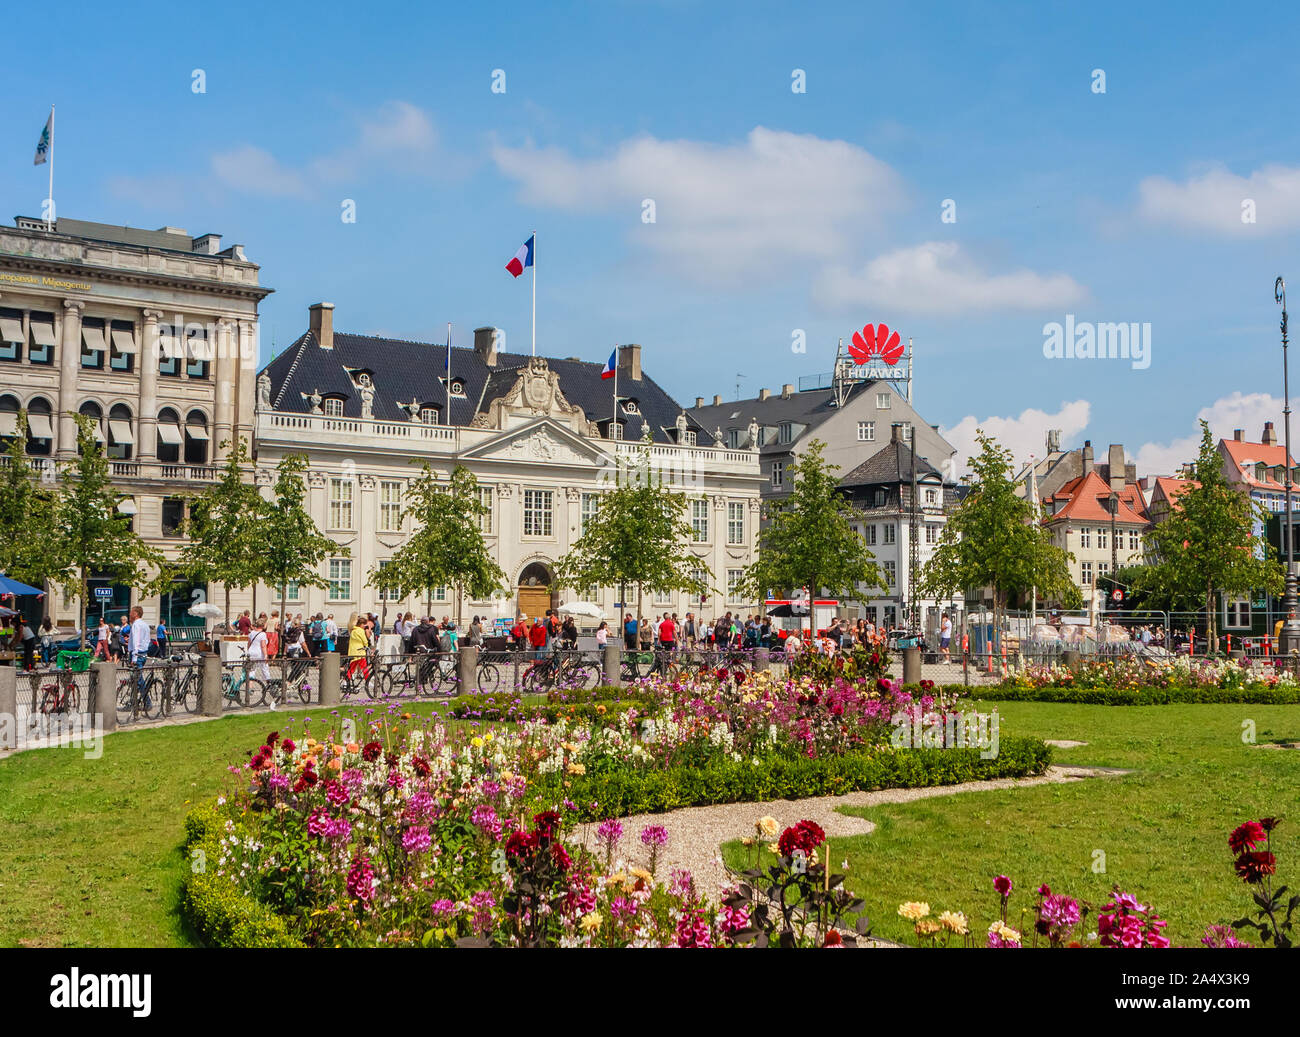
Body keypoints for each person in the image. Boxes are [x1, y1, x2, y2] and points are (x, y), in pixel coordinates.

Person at [128, 606, 153, 709]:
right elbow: (147, 640)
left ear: (135, 614)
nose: (129, 614)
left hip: (137, 655)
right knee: (135, 679)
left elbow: (136, 641)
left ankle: (147, 702)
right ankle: (133, 701)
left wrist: (134, 657)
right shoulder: (145, 625)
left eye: (131, 612)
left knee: (138, 679)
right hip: (143, 653)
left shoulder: (136, 625)